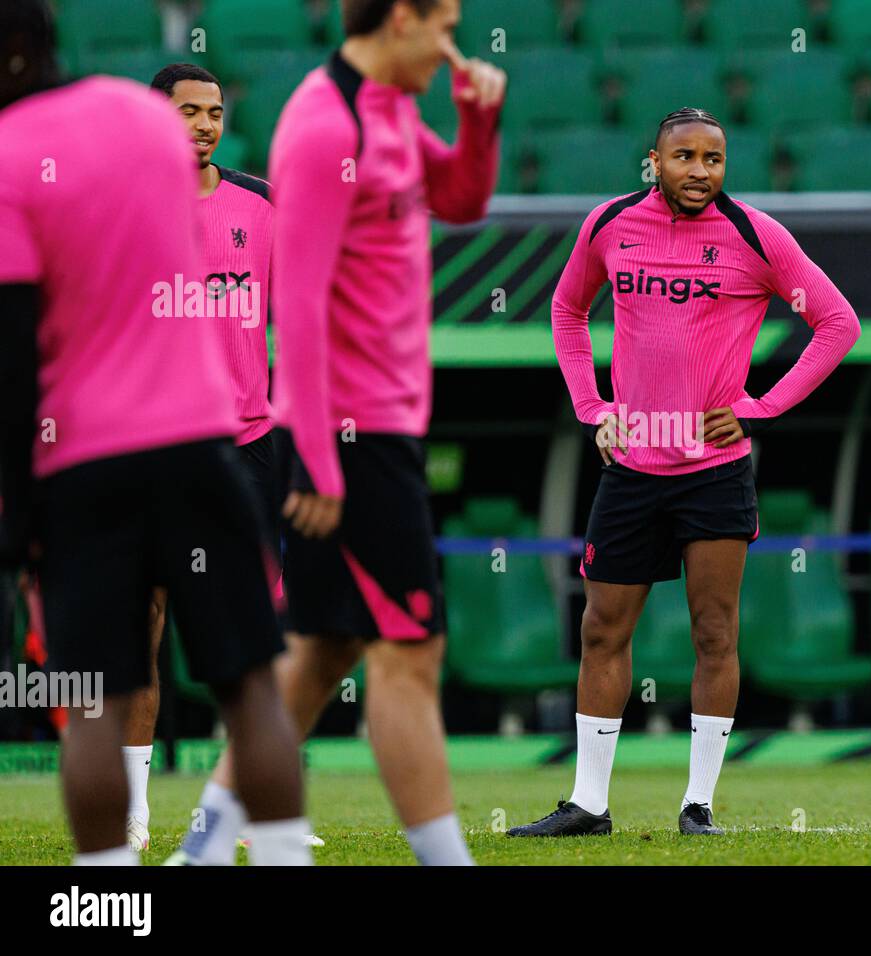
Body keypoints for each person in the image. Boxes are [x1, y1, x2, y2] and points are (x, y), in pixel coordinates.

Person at [170, 0, 504, 866]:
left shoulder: (392, 110)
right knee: (412, 651)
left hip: (380, 427)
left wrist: (478, 116)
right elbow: (300, 309)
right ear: (402, 18)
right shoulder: (325, 125)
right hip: (353, 434)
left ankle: (199, 854)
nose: (453, 45)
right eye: (445, 25)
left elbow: (461, 199)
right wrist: (317, 456)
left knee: (319, 658)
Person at [0, 0, 309, 865]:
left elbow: (15, 357)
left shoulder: (15, 159)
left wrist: (17, 514)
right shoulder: (136, 123)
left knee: (98, 691)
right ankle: (282, 856)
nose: (204, 128)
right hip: (204, 444)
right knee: (251, 681)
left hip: (88, 457)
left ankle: (109, 892)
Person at [509, 107, 860, 838]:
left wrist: (761, 408)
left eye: (714, 159)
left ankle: (697, 805)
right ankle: (589, 805)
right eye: (685, 157)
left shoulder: (756, 236)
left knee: (713, 632)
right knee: (603, 630)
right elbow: (568, 310)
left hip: (715, 472)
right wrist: (591, 407)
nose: (700, 171)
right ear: (654, 161)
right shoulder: (609, 225)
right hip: (632, 466)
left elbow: (837, 323)